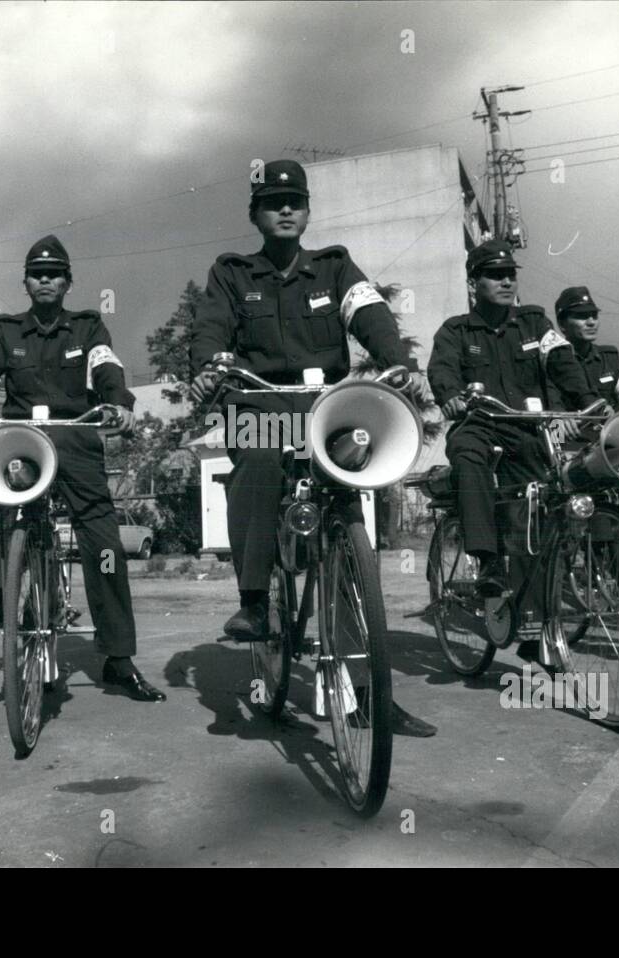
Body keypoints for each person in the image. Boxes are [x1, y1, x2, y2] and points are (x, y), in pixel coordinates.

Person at [188, 159, 435, 737]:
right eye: (273, 203)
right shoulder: (231, 273)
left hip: (327, 406)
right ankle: (254, 601)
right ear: (255, 214)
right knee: (258, 459)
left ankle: (365, 692)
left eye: (295, 201)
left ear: (306, 211)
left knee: (350, 515)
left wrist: (397, 360)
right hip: (258, 403)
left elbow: (369, 313)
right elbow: (210, 329)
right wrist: (209, 367)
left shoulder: (334, 267)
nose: (285, 209)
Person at [0, 234, 164, 703]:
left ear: (68, 282)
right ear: (25, 282)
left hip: (75, 439)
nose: (45, 281)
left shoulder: (87, 328)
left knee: (104, 542)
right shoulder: (5, 331)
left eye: (54, 274)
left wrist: (118, 403)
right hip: (21, 442)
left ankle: (119, 658)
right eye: (37, 274)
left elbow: (107, 369)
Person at [428, 241, 600, 599]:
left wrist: (588, 401)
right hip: (480, 422)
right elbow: (442, 368)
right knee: (468, 456)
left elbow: (562, 361)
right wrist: (450, 396)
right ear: (473, 283)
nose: (506, 282)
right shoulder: (456, 331)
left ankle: (538, 597)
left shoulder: (534, 323)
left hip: (525, 428)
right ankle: (488, 559)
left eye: (510, 275)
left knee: (543, 496)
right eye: (495, 275)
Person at [550, 287, 619, 415]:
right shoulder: (553, 361)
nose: (591, 322)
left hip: (608, 426)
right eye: (582, 316)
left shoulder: (608, 359)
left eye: (594, 316)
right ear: (562, 324)